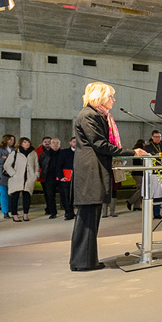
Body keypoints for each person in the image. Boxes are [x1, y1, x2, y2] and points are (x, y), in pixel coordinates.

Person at [69, 83, 147, 271]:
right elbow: (100, 144)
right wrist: (132, 152)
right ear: (100, 97)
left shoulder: (96, 115)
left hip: (93, 169)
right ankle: (83, 262)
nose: (113, 99)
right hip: (90, 171)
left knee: (90, 217)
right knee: (87, 218)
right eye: (111, 96)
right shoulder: (89, 116)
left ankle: (85, 260)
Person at [4, 137, 39, 222]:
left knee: (27, 196)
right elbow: (7, 165)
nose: (27, 144)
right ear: (20, 143)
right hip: (17, 178)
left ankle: (25, 214)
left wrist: (36, 175)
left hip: (28, 178)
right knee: (14, 197)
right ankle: (15, 215)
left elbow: (36, 165)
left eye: (28, 142)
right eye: (25, 142)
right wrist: (13, 174)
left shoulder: (33, 153)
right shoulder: (15, 153)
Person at [55, 137, 76, 220]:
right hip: (66, 177)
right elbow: (59, 165)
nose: (76, 143)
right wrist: (60, 176)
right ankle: (68, 212)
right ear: (70, 143)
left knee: (75, 196)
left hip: (78, 177)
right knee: (66, 196)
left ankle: (73, 212)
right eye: (74, 142)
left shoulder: (81, 152)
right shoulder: (64, 152)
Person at [39, 136, 59, 218]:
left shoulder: (62, 153)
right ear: (50, 145)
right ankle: (53, 212)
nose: (55, 145)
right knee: (50, 195)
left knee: (64, 195)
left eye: (57, 143)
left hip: (60, 176)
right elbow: (41, 165)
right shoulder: (43, 154)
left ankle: (68, 211)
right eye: (53, 143)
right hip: (49, 177)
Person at [0, 134, 15, 218]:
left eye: (13, 140)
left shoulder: (14, 149)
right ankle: (5, 211)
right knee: (3, 193)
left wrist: (5, 158)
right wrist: (8, 158)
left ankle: (13, 209)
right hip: (2, 173)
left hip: (13, 172)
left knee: (14, 192)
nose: (12, 141)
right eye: (10, 140)